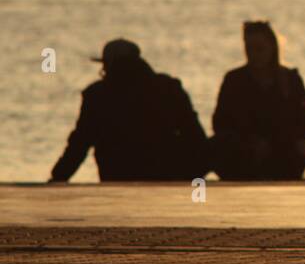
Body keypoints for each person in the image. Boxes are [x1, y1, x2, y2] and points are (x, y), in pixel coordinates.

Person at [49, 38, 209, 182]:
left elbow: (79, 143)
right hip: (166, 172)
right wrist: (193, 176)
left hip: (117, 174)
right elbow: (194, 134)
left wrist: (58, 178)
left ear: (108, 65)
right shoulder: (169, 87)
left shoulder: (97, 95)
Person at [211, 21, 305, 180]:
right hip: (245, 150)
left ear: (272, 47)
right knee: (218, 145)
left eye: (259, 49)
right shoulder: (234, 80)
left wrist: (278, 141)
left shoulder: (290, 78)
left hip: (282, 150)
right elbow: (219, 123)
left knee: (302, 147)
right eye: (249, 49)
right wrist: (249, 140)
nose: (254, 54)